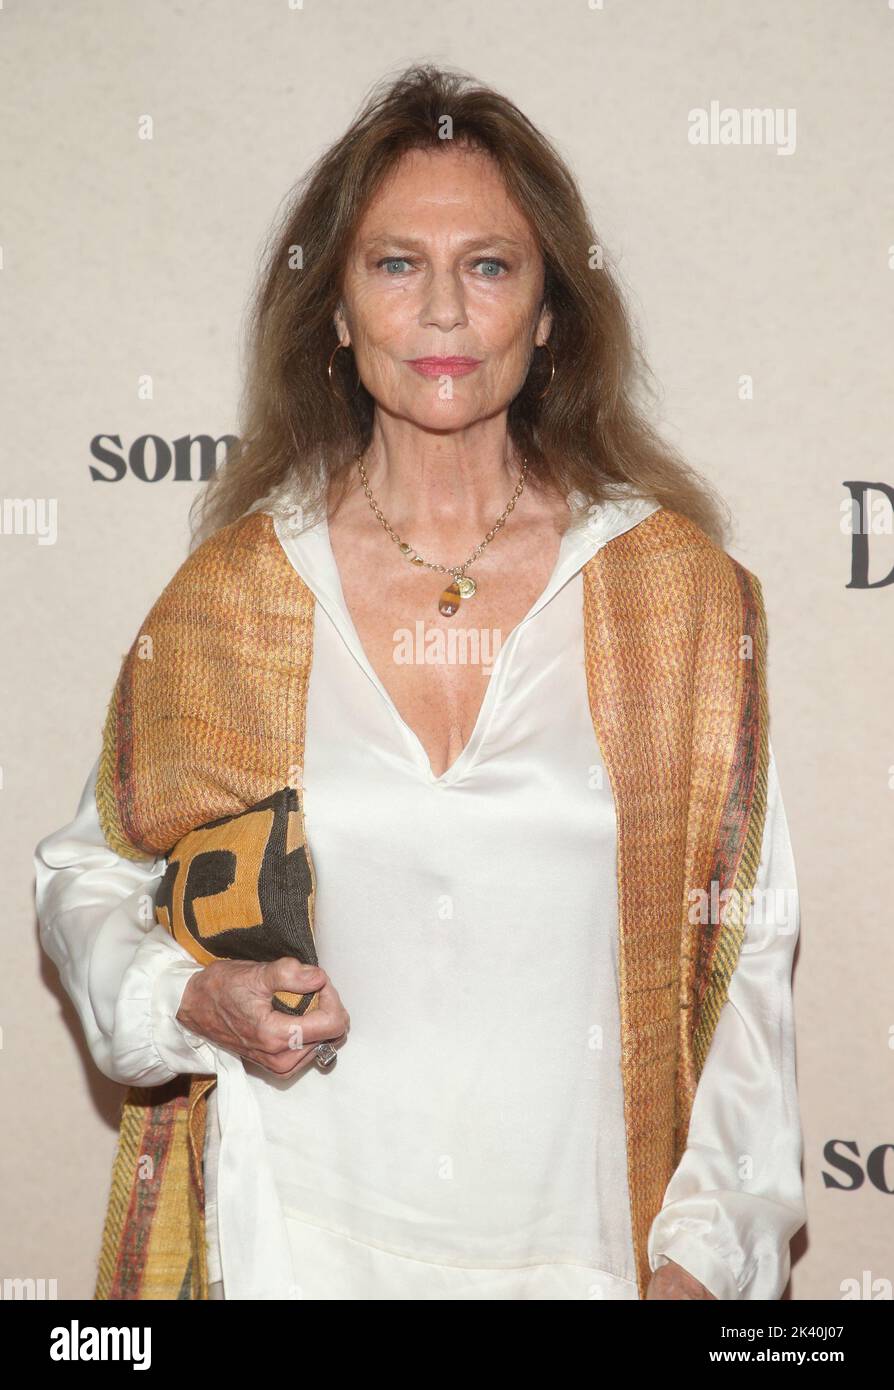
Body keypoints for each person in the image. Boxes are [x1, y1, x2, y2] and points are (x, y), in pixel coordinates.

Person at [33, 63, 806, 1301]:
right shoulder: (237, 597)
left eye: (490, 266)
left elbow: (747, 973)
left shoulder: (681, 602)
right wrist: (190, 995)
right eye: (396, 265)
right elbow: (85, 873)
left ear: (549, 310)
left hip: (591, 1266)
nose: (444, 310)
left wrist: (699, 1271)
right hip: (291, 1252)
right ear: (334, 311)